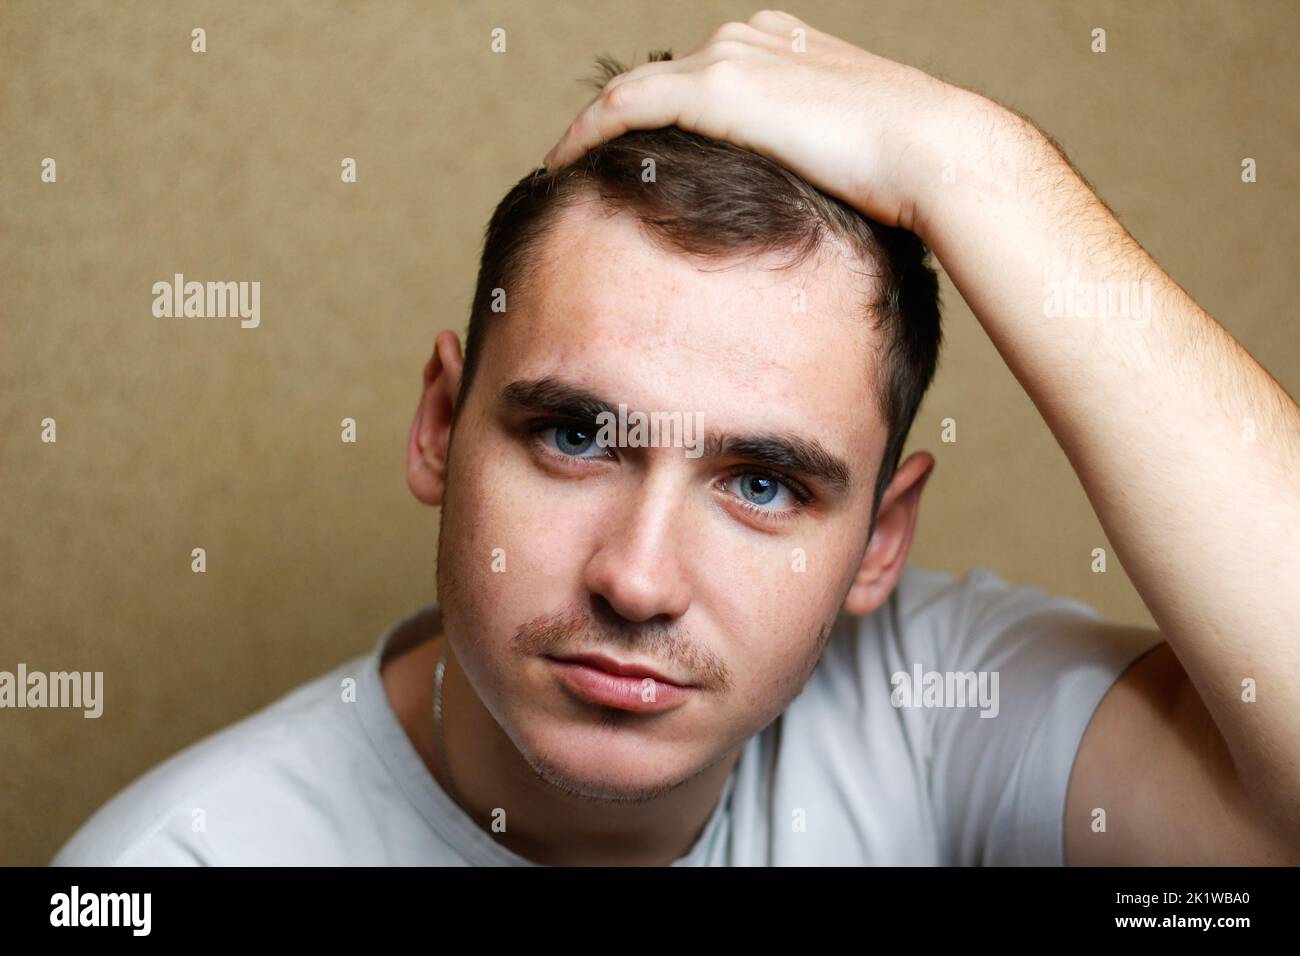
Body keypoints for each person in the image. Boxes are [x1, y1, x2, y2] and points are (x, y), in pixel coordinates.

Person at [53, 10, 1299, 867]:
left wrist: (975, 163)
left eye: (761, 481)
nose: (638, 579)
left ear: (881, 539)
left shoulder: (933, 707)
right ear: (439, 424)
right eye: (577, 437)